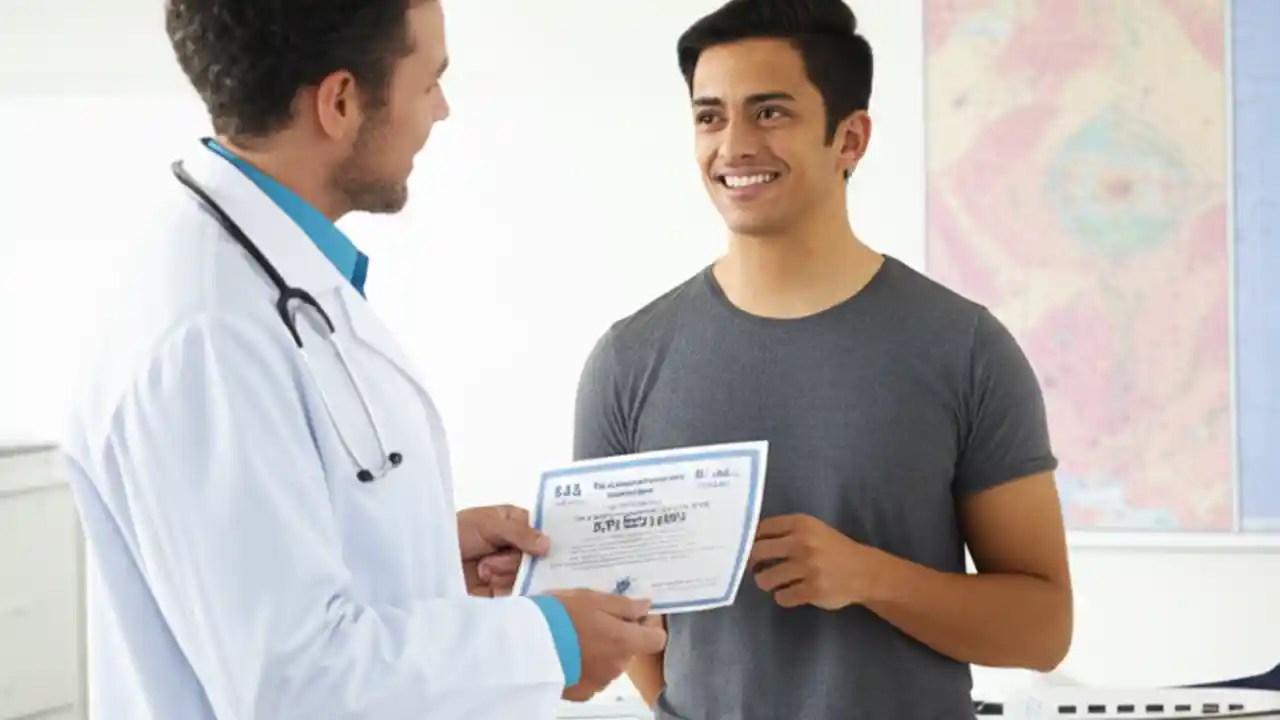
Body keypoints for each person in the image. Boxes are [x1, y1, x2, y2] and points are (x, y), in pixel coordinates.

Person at [60, 1, 665, 718]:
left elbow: (258, 572)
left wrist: (422, 558)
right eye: (429, 81)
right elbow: (294, 684)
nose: (441, 109)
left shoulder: (265, 281)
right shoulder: (209, 335)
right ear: (341, 102)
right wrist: (547, 641)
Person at [571, 0, 1073, 718]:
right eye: (710, 116)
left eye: (770, 113)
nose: (733, 145)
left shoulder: (965, 349)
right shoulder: (629, 361)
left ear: (851, 138)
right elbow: (623, 614)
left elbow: (1044, 630)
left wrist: (868, 576)